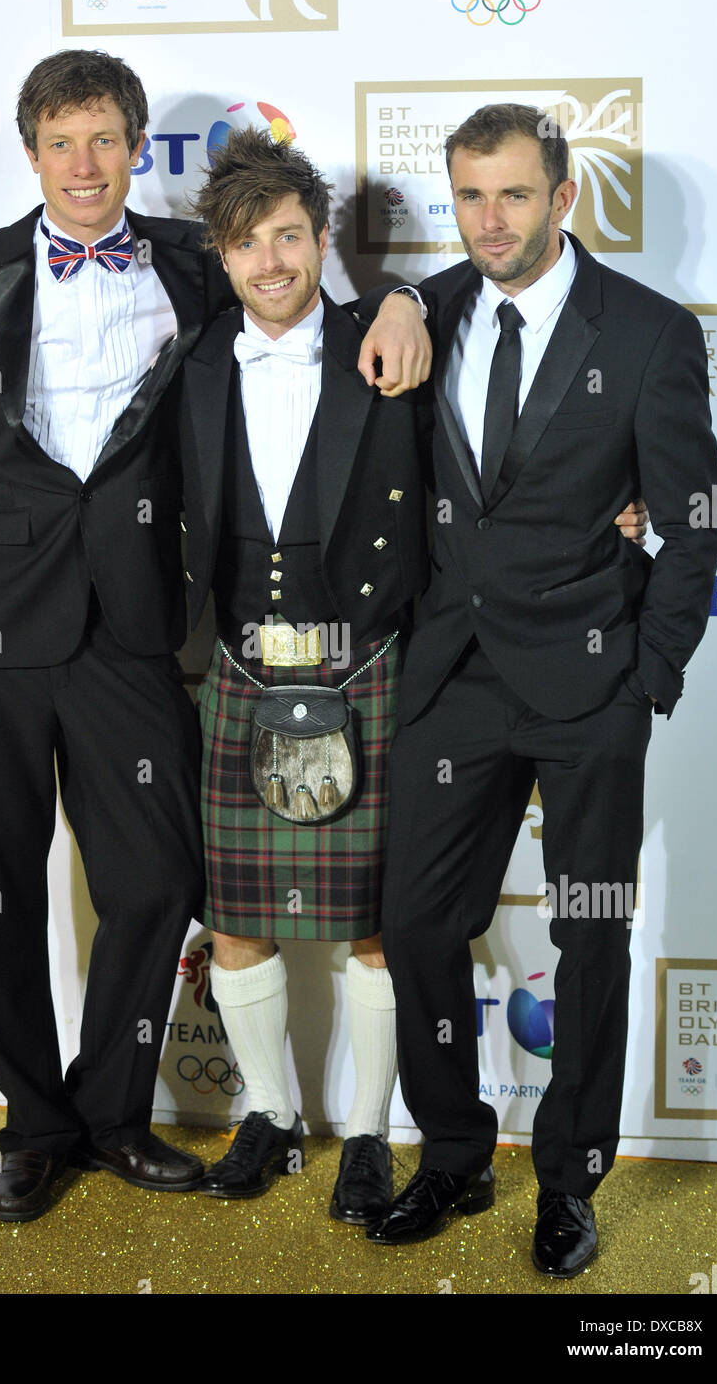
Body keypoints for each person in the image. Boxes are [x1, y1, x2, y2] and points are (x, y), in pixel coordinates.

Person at [0, 50, 427, 1224]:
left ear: (139, 151)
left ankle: (113, 1110)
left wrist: (406, 295)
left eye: (105, 140)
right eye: (60, 142)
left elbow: (307, 295)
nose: (84, 166)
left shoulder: (200, 259)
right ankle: (34, 1128)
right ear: (31, 153)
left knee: (162, 878)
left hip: (129, 635)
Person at [178, 126, 648, 1226]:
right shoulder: (192, 363)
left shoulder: (395, 336)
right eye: (247, 244)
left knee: (392, 922)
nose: (273, 261)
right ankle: (277, 1116)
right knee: (253, 913)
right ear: (220, 254)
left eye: (290, 234)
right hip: (251, 668)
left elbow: (563, 490)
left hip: (387, 664)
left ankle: (387, 1138)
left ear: (320, 236)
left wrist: (628, 566)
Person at [364, 104, 717, 1274]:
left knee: (592, 939)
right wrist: (404, 292)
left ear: (562, 198)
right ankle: (454, 1154)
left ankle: (567, 1179)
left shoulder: (651, 332)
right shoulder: (434, 309)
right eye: (468, 196)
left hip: (586, 687)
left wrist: (646, 680)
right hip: (451, 678)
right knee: (417, 923)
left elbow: (691, 528)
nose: (489, 220)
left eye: (512, 195)